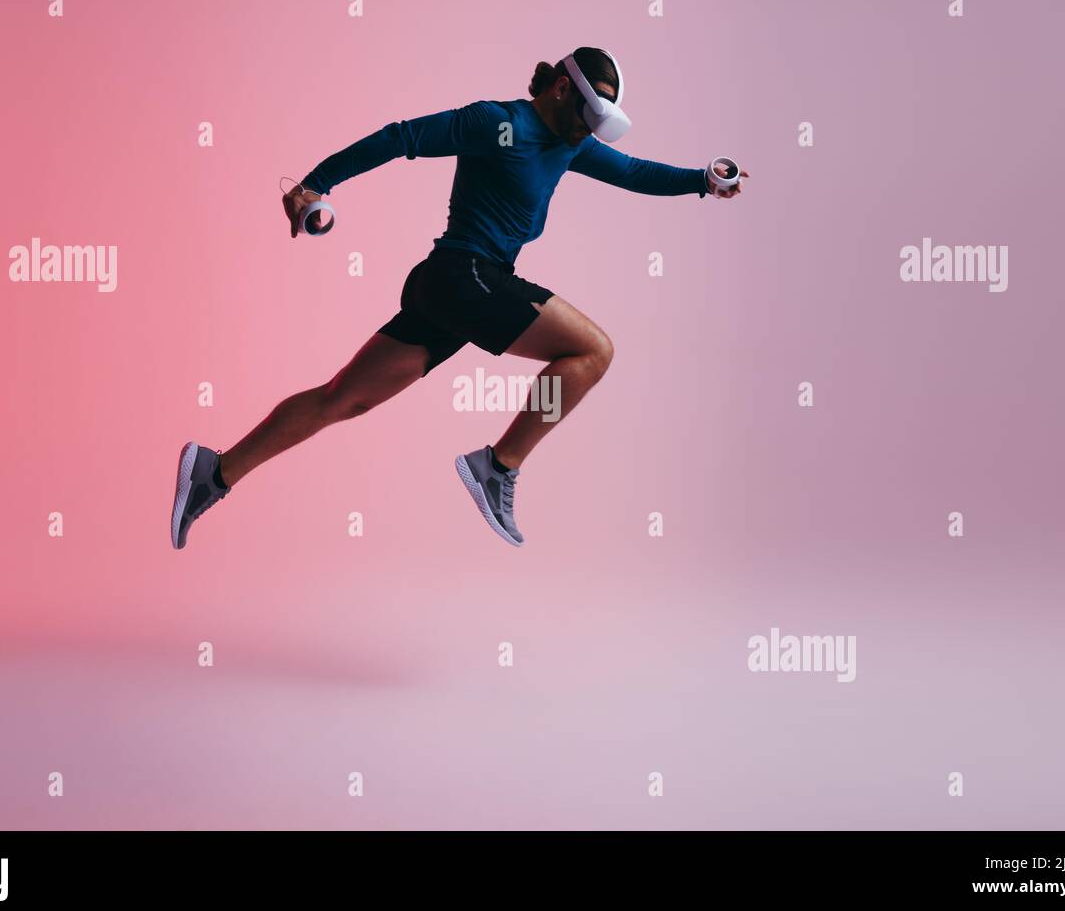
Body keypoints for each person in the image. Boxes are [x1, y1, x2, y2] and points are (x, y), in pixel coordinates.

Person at [170, 47, 747, 550]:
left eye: (600, 123)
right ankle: (498, 466)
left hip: (455, 290)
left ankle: (214, 471)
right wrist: (315, 182)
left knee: (343, 398)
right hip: (461, 276)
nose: (588, 131)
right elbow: (402, 138)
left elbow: (634, 171)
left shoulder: (570, 144)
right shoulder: (497, 122)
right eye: (585, 114)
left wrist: (702, 179)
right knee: (592, 351)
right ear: (561, 87)